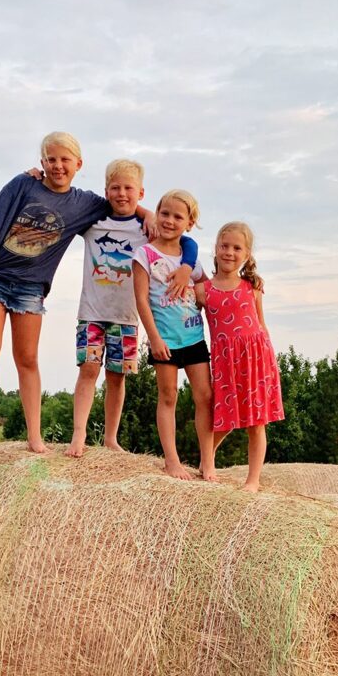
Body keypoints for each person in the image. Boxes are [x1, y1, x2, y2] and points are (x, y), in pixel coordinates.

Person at [0, 133, 150, 461]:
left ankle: (34, 435)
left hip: (31, 287)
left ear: (79, 164)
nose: (58, 166)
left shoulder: (85, 204)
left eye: (65, 160)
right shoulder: (22, 185)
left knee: (28, 358)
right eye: (51, 159)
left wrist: (147, 214)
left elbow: (122, 202)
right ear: (42, 162)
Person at [67, 160, 198, 458]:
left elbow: (186, 241)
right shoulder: (92, 222)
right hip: (91, 312)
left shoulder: (147, 229)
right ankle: (79, 435)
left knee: (117, 376)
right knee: (88, 369)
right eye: (115, 188)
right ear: (106, 191)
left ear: (141, 192)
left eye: (128, 188)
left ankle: (110, 438)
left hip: (127, 316)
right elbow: (68, 201)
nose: (121, 194)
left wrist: (187, 264)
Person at [194, 222, 284, 493]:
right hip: (225, 361)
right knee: (226, 417)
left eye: (236, 248)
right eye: (224, 246)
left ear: (246, 254)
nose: (229, 252)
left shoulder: (252, 287)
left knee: (256, 423)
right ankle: (206, 461)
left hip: (256, 359)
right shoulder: (203, 291)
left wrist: (271, 361)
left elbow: (262, 325)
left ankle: (253, 480)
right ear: (216, 249)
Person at [132, 190, 215, 482]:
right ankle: (172, 461)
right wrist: (153, 339)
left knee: (204, 398)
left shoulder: (190, 259)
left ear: (189, 223)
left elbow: (205, 289)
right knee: (167, 397)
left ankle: (208, 463)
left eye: (178, 216)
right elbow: (141, 300)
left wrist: (192, 276)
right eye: (164, 213)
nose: (169, 220)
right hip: (164, 339)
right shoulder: (145, 254)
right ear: (158, 213)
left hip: (194, 337)